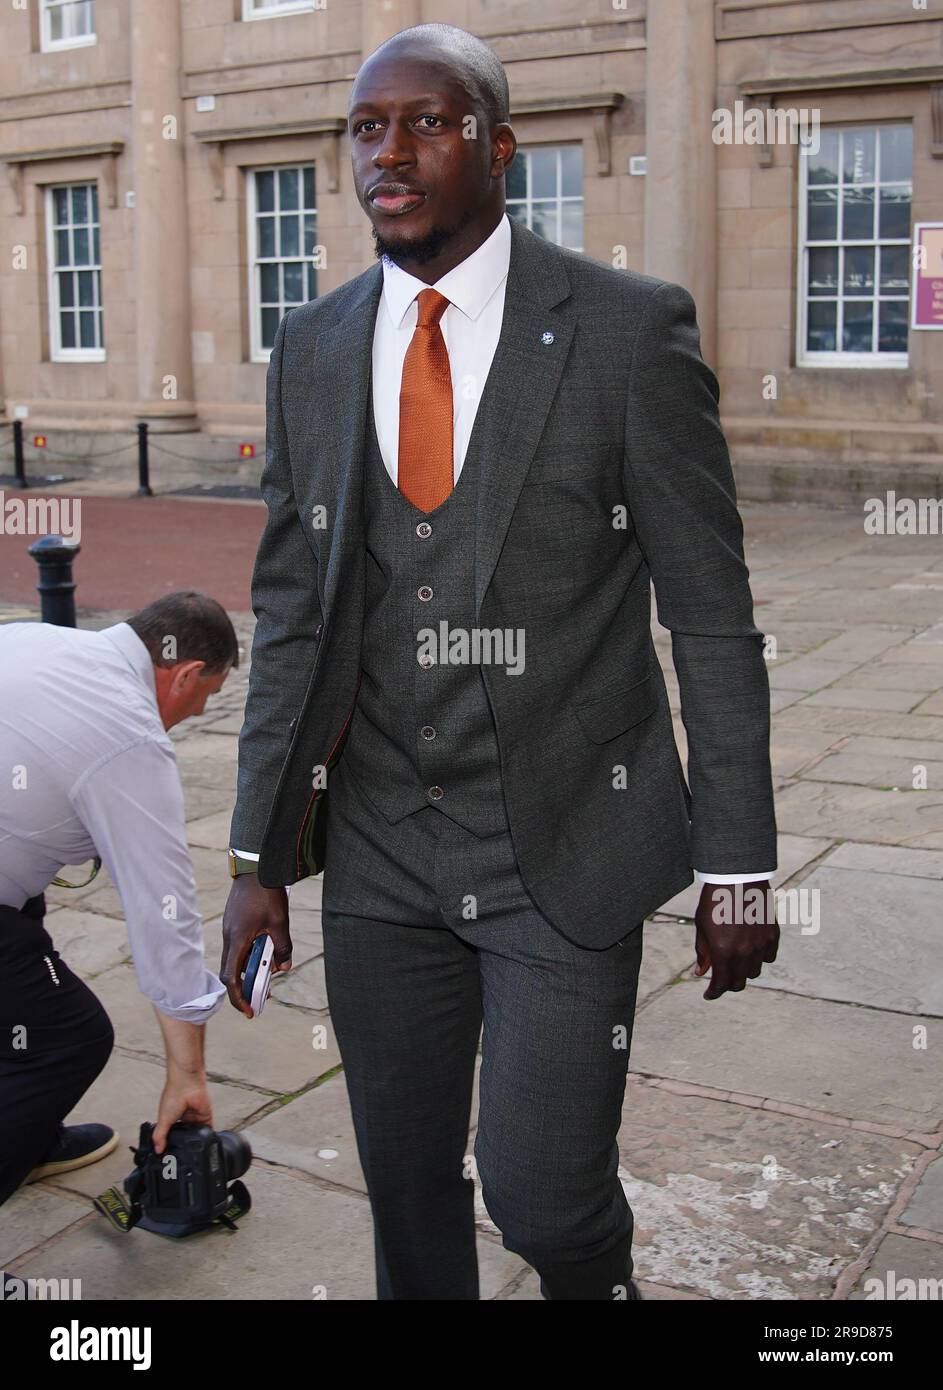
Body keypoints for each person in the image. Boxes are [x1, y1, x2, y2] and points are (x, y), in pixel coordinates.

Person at [221, 24, 779, 1300]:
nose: (391, 152)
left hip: (565, 842)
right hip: (376, 851)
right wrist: (258, 857)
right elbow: (293, 615)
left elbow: (710, 612)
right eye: (368, 127)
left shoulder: (627, 332)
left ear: (498, 144)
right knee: (405, 1186)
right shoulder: (311, 345)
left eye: (428, 121)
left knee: (546, 1196)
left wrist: (739, 860)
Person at [0, 591, 232, 1206]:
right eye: (205, 696)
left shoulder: (34, 638)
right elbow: (165, 911)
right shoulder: (128, 735)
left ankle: (24, 1136)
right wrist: (187, 1073)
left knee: (24, 959)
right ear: (184, 673)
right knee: (68, 1038)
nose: (193, 713)